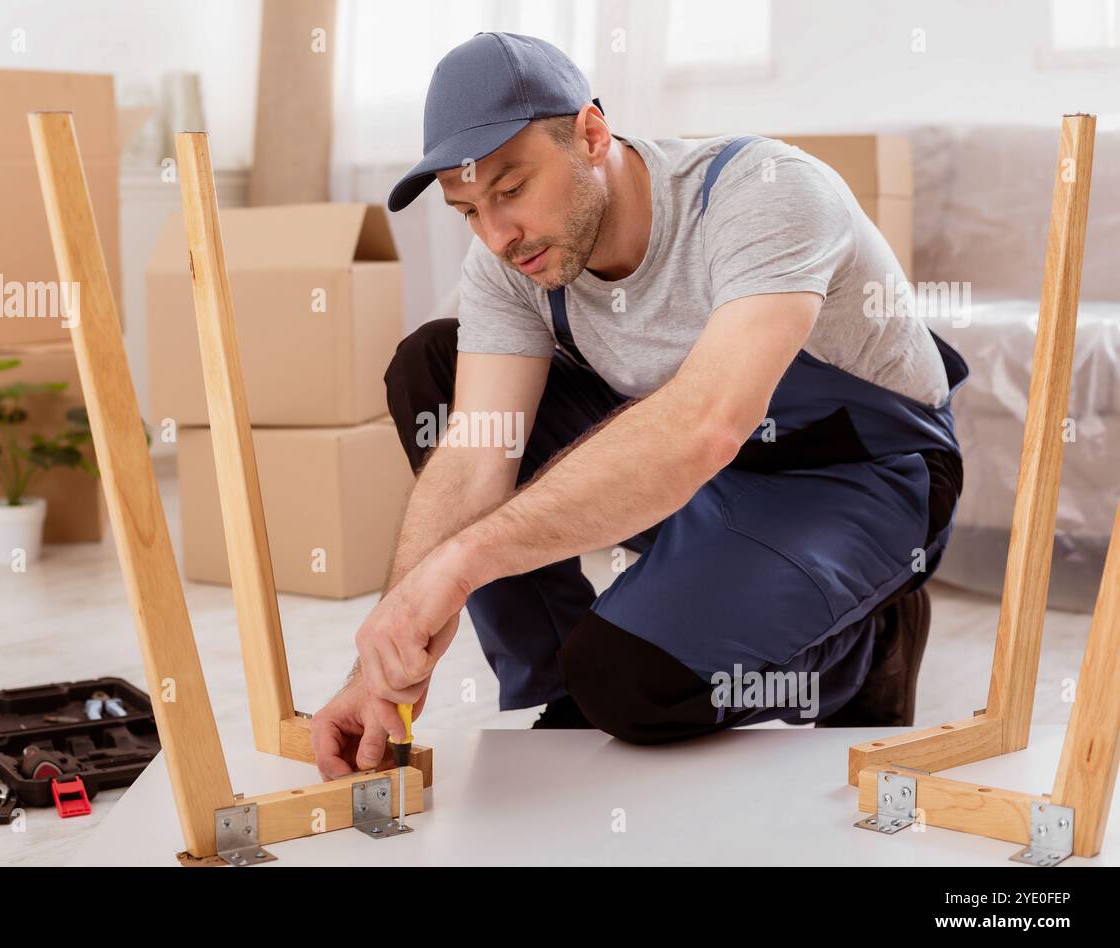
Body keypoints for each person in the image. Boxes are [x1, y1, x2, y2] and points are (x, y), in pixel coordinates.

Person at [310, 31, 967, 781]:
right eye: (468, 211)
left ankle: (864, 644)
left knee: (633, 684)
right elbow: (473, 457)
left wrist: (458, 566)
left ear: (591, 134)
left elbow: (705, 423)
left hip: (857, 475)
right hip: (693, 464)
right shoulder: (512, 261)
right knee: (431, 364)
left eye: (512, 189)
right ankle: (565, 692)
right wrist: (384, 656)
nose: (496, 235)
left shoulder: (765, 193)